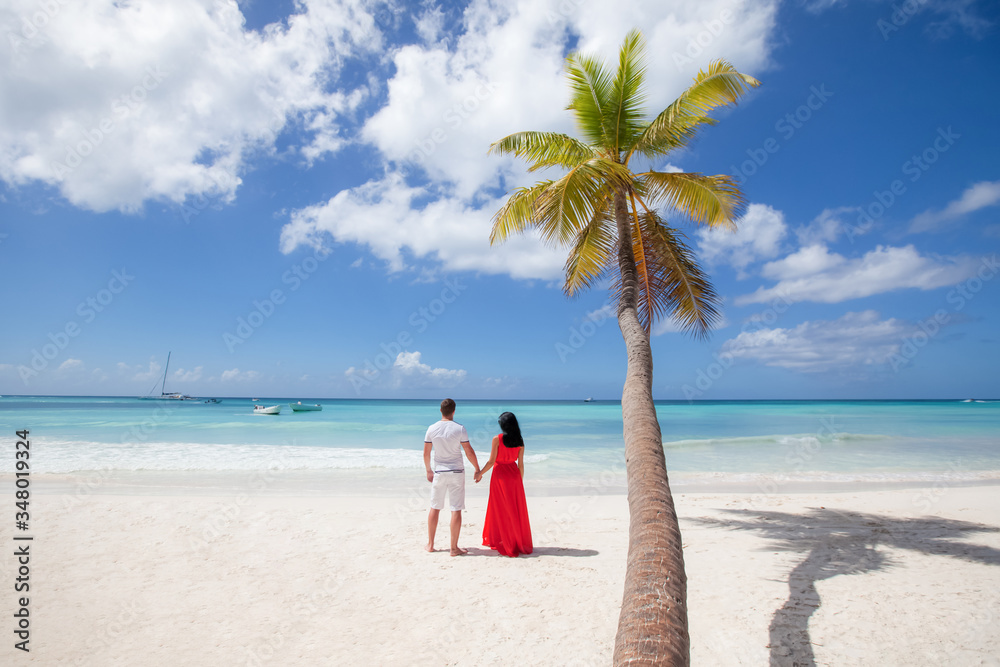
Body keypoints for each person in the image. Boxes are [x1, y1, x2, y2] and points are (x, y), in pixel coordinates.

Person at [424, 398, 480, 556]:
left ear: (440, 411)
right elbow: (469, 451)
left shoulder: (432, 428)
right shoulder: (459, 429)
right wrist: (477, 468)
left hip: (439, 472)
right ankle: (454, 548)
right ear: (454, 411)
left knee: (435, 507)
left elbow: (426, 453)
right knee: (456, 509)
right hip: (456, 472)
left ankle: (430, 544)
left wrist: (428, 470)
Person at [475, 411, 533, 557]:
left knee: (500, 508)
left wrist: (480, 473)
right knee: (514, 510)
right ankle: (515, 540)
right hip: (514, 477)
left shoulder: (497, 439)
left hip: (500, 477)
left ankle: (501, 539)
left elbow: (491, 461)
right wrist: (520, 482)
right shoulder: (520, 441)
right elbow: (521, 464)